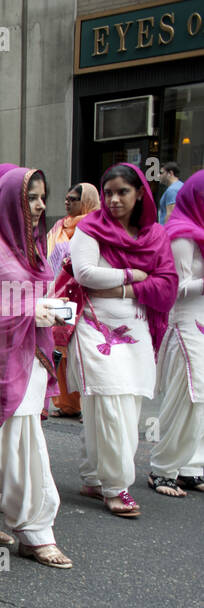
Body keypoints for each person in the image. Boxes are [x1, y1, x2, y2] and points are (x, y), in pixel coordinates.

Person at [0, 165, 73, 568]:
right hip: (1, 362)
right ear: (9, 201)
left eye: (43, 197)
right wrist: (35, 309)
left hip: (33, 356)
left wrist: (47, 311)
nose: (40, 206)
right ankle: (36, 529)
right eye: (32, 198)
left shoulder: (32, 245)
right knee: (22, 440)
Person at [67, 163, 177, 517]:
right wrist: (133, 274)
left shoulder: (155, 235)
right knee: (110, 402)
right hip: (95, 325)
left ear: (140, 194)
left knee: (124, 404)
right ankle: (116, 487)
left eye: (122, 192)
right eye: (108, 192)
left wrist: (121, 288)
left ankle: (94, 475)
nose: (113, 200)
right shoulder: (90, 227)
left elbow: (166, 284)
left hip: (137, 327)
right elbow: (85, 273)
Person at [147, 170, 204, 494]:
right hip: (186, 325)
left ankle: (192, 466)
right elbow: (175, 288)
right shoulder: (182, 234)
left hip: (201, 324)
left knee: (201, 400)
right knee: (185, 398)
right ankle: (164, 468)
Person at [46, 183, 99, 418]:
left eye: (74, 199)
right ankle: (66, 404)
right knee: (59, 348)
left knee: (82, 350)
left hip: (84, 294)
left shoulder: (96, 226)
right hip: (59, 291)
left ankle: (85, 405)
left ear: (86, 201)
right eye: (66, 198)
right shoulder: (59, 226)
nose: (68, 203)